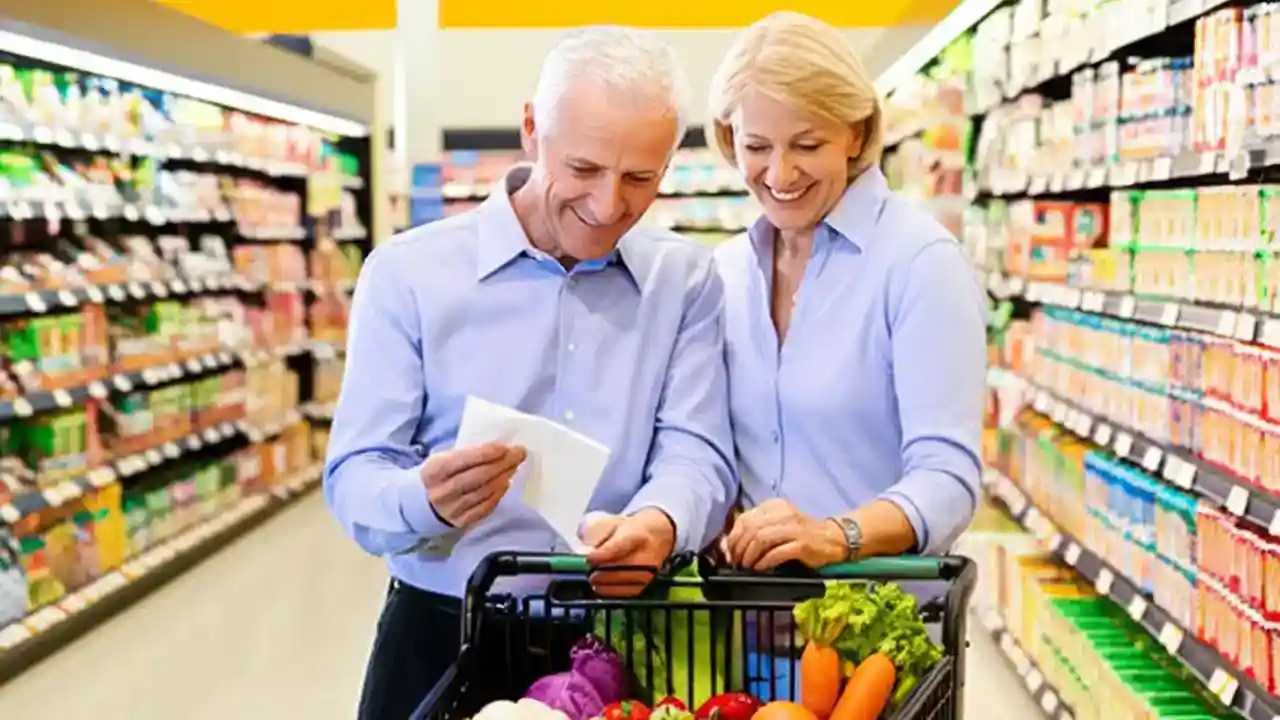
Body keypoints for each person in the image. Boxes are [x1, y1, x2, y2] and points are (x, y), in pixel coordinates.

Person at [323, 27, 736, 720]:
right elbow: (354, 474)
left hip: (620, 642)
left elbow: (696, 449)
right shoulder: (409, 274)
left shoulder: (685, 279)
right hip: (442, 634)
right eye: (583, 168)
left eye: (641, 178)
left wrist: (661, 523)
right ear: (530, 129)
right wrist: (422, 499)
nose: (609, 206)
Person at [708, 11, 987, 572]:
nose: (780, 174)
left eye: (806, 145)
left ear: (855, 133)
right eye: (756, 146)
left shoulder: (918, 264)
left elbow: (949, 478)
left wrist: (839, 536)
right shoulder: (726, 273)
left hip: (876, 630)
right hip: (747, 621)